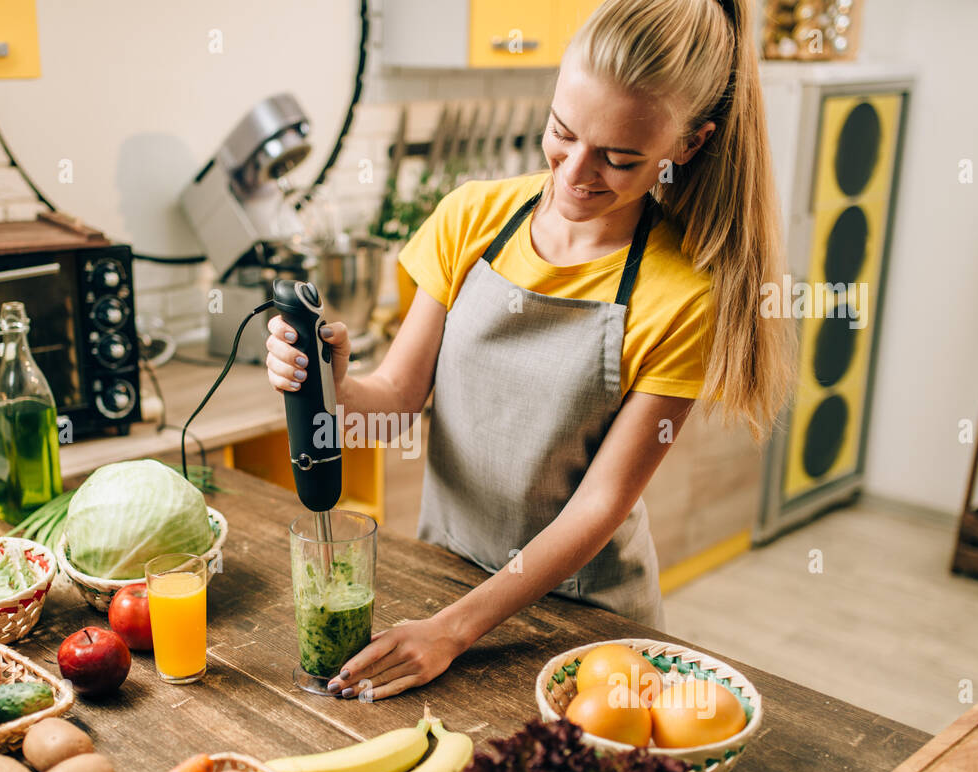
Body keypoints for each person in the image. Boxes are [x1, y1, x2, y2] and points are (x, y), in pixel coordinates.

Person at [266, 0, 793, 701]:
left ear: (688, 146)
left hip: (581, 629)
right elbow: (395, 402)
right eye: (562, 132)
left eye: (619, 157)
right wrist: (333, 387)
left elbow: (598, 505)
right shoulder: (471, 219)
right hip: (444, 586)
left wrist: (455, 630)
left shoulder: (682, 293)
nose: (576, 172)